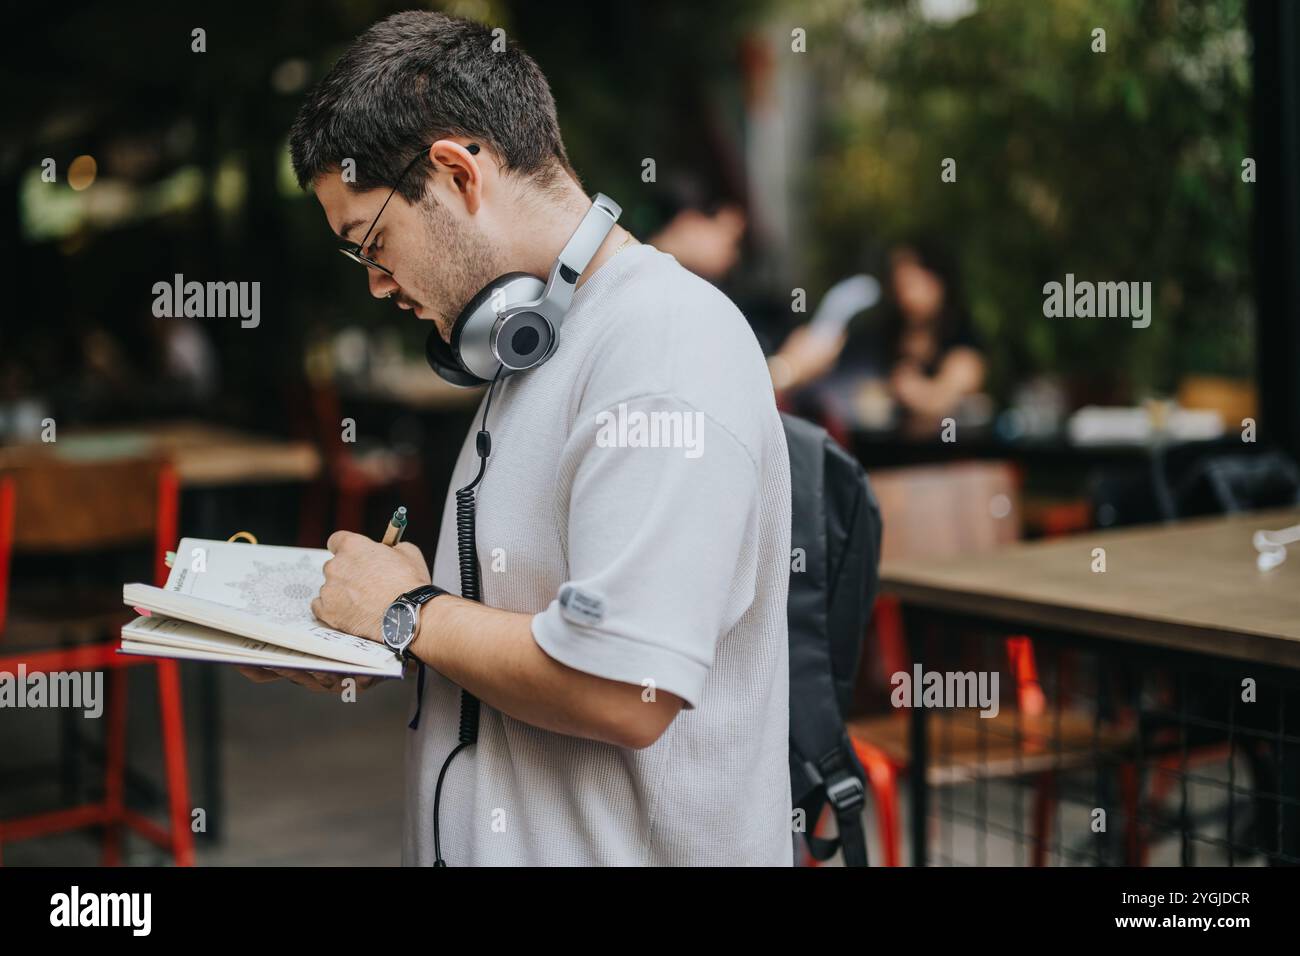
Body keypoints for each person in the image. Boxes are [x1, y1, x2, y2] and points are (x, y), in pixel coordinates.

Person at [242, 11, 793, 867]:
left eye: (373, 244)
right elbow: (515, 634)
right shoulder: (538, 342)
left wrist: (406, 612)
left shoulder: (661, 349)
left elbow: (621, 687)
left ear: (458, 173)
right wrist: (371, 636)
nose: (380, 286)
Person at [770, 240, 986, 423]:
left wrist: (909, 390)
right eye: (901, 282)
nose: (907, 294)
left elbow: (942, 399)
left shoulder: (963, 342)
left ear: (940, 282)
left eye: (915, 282)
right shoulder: (880, 336)